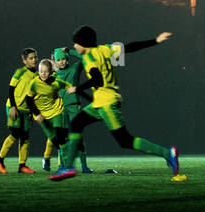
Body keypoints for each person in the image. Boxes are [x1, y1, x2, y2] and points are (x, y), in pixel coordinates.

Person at [48, 27, 179, 181]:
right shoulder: (105, 48)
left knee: (125, 140)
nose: (75, 46)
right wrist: (155, 40)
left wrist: (78, 88)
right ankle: (68, 167)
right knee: (76, 124)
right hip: (100, 103)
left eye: (76, 43)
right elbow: (129, 47)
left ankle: (167, 153)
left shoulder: (90, 58)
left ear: (84, 44)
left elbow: (98, 79)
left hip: (107, 103)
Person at [42, 46, 92, 173]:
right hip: (60, 110)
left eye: (64, 59)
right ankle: (62, 166)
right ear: (55, 61)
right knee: (62, 139)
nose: (62, 62)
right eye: (59, 60)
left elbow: (84, 56)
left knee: (78, 137)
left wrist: (70, 50)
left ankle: (84, 166)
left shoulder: (74, 68)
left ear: (67, 59)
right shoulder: (55, 75)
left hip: (74, 107)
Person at [0, 48, 39, 174]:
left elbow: (32, 96)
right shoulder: (20, 72)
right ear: (24, 61)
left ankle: (22, 166)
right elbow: (11, 89)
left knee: (25, 137)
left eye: (35, 57)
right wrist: (13, 106)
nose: (34, 60)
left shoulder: (37, 75)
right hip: (14, 108)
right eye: (31, 58)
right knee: (15, 134)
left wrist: (31, 113)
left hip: (25, 110)